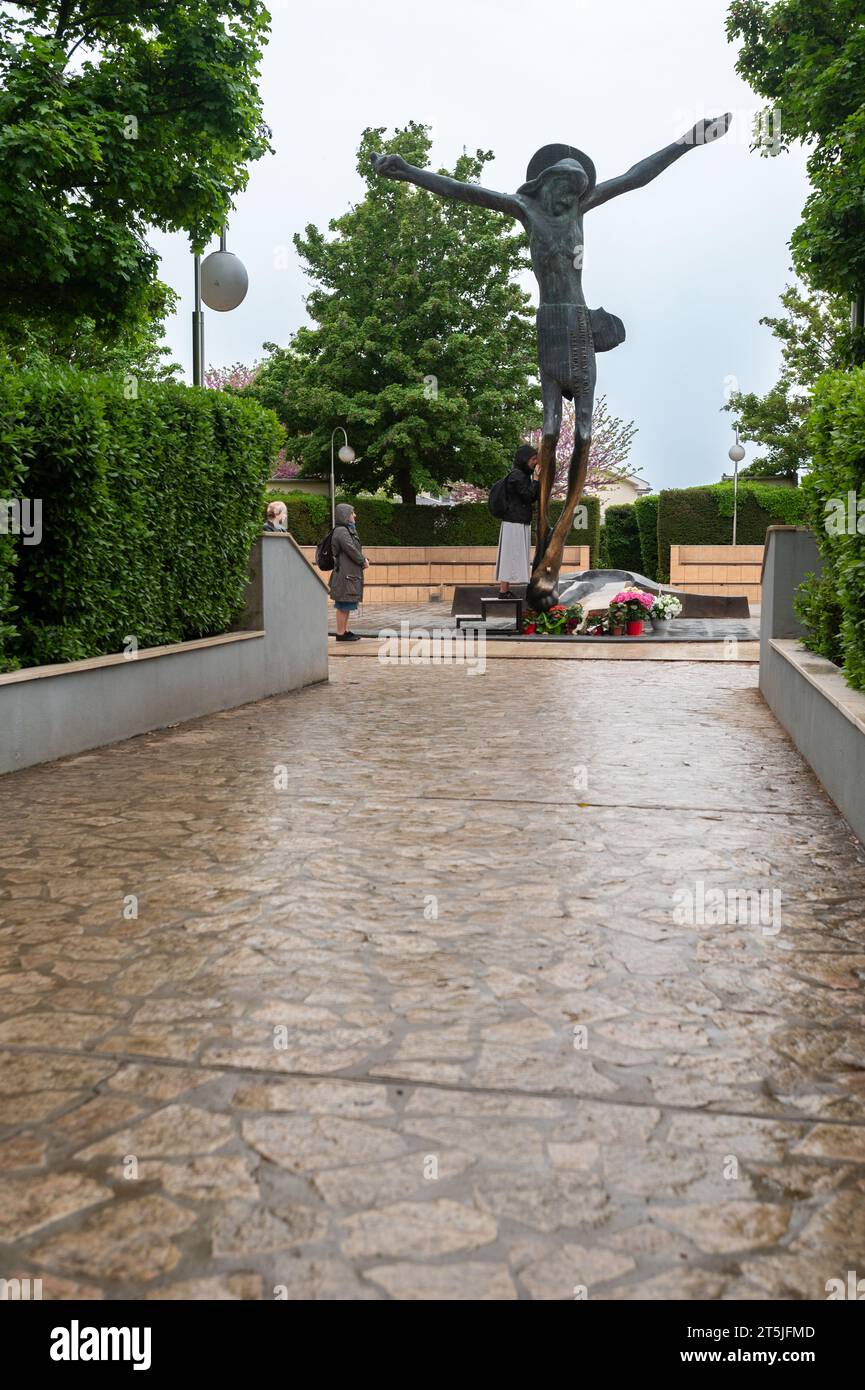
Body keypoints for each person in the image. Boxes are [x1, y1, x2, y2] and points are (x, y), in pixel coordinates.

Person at [496, 443, 540, 598]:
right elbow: (528, 496)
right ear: (524, 459)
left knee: (510, 555)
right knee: (510, 556)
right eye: (533, 459)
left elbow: (530, 497)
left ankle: (504, 590)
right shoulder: (517, 476)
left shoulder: (521, 475)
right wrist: (535, 480)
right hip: (514, 522)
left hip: (516, 521)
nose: (535, 462)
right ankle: (503, 591)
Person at [330, 502, 369, 641]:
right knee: (343, 605)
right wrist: (362, 561)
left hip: (349, 574)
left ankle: (344, 631)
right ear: (346, 516)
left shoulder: (347, 529)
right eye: (352, 513)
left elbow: (354, 549)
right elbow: (350, 549)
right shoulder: (341, 531)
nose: (355, 515)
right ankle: (340, 633)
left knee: (346, 604)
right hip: (344, 575)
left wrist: (363, 559)